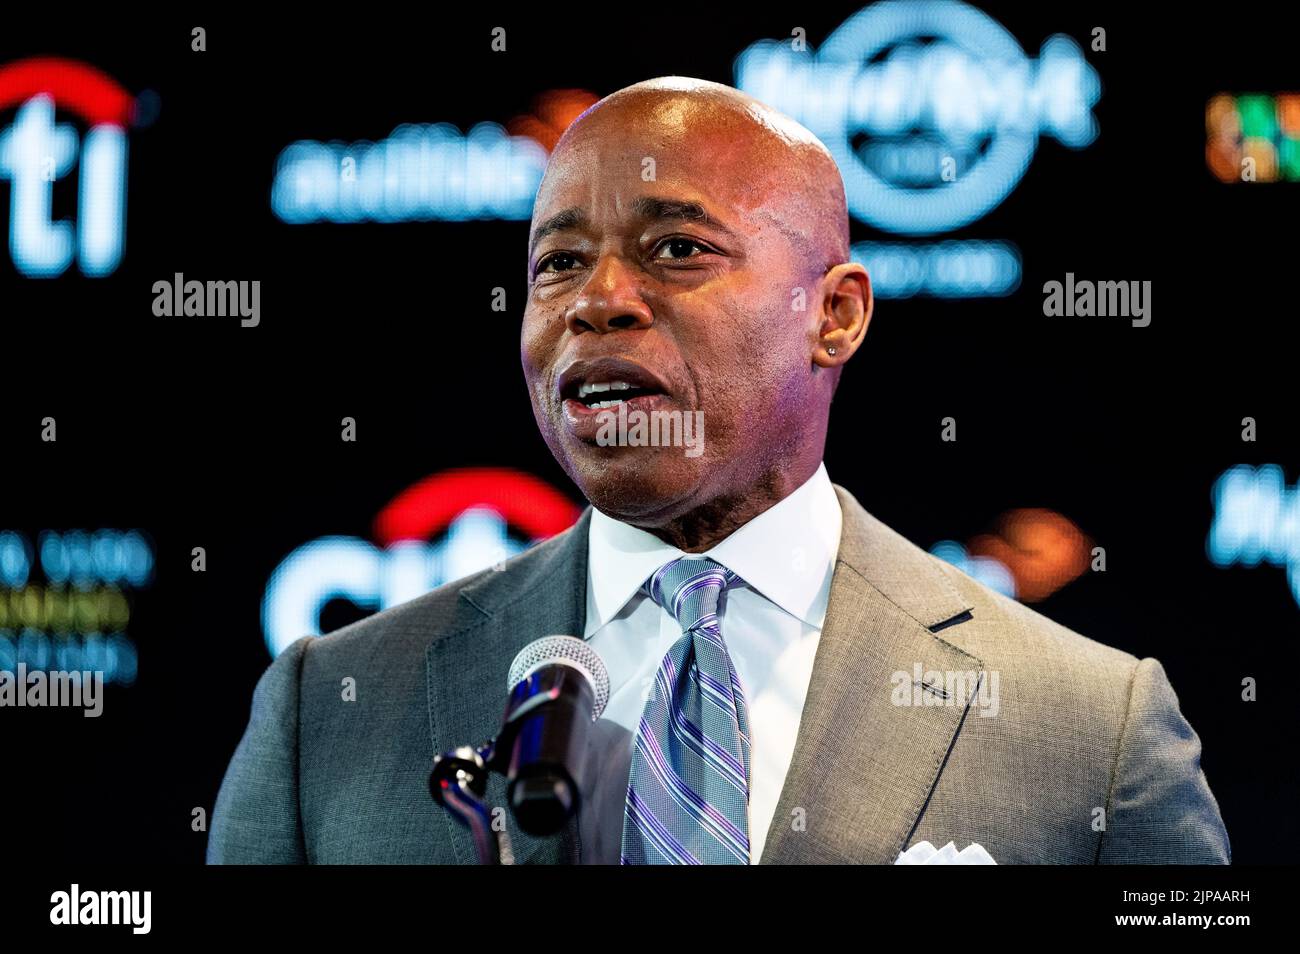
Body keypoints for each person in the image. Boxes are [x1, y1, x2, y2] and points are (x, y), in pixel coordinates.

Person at [209, 77, 1229, 864]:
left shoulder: (1088, 731)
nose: (595, 301)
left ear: (833, 315)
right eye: (557, 264)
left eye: (676, 248)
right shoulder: (329, 711)